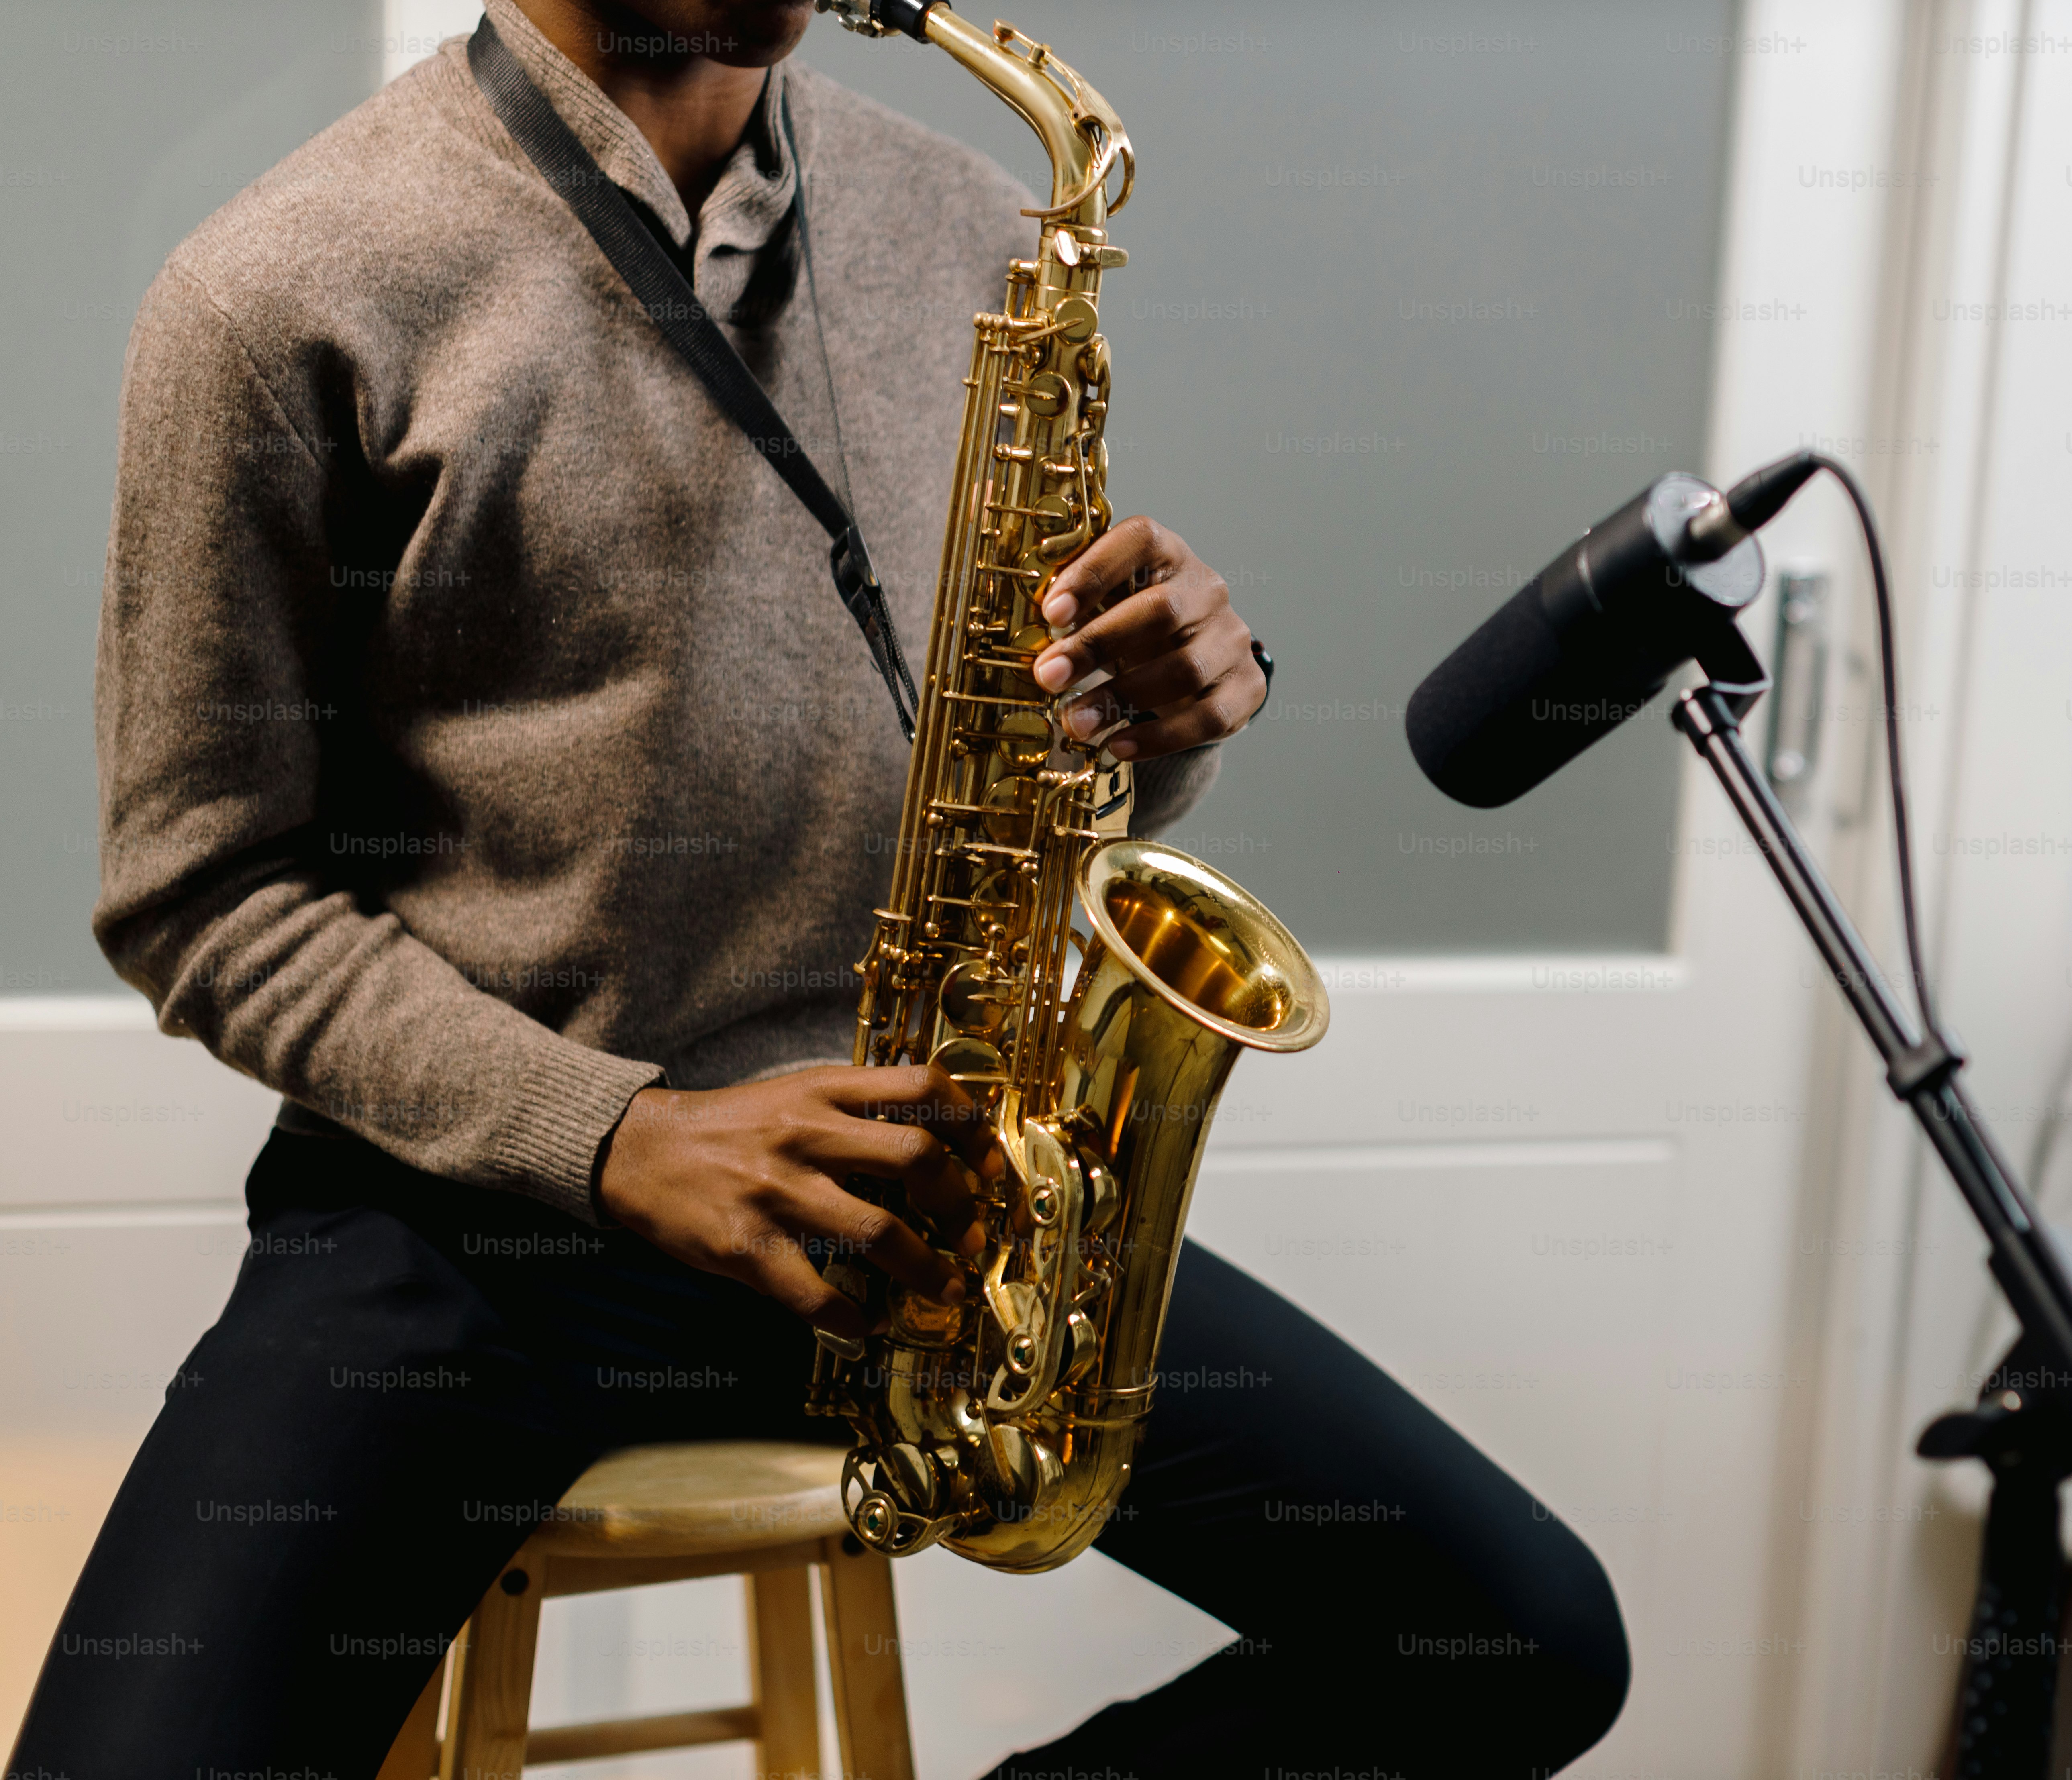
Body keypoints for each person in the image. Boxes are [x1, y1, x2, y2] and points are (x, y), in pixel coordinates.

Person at [6, 1, 1629, 1774]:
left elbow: (1016, 788)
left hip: (916, 1187)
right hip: (476, 1217)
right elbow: (203, 891)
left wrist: (1154, 724)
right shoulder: (271, 290)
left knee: (1519, 1638)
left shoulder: (972, 223)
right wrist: (622, 1137)